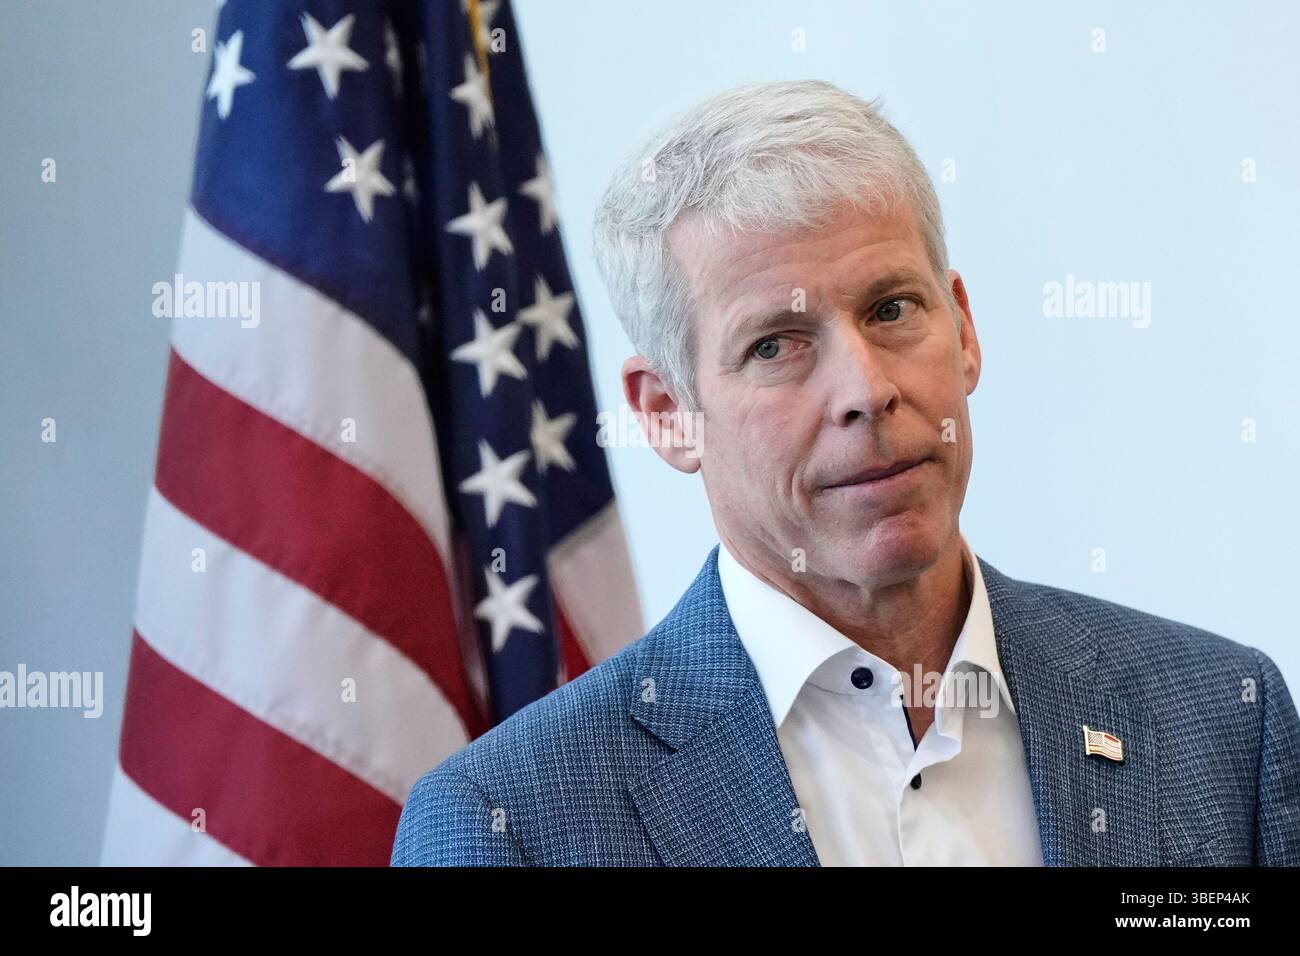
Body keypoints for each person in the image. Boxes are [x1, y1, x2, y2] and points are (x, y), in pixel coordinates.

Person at [391, 79, 1298, 866]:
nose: (866, 389)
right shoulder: (511, 823)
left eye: (892, 308)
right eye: (777, 346)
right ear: (667, 413)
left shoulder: (1223, 720)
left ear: (965, 328)